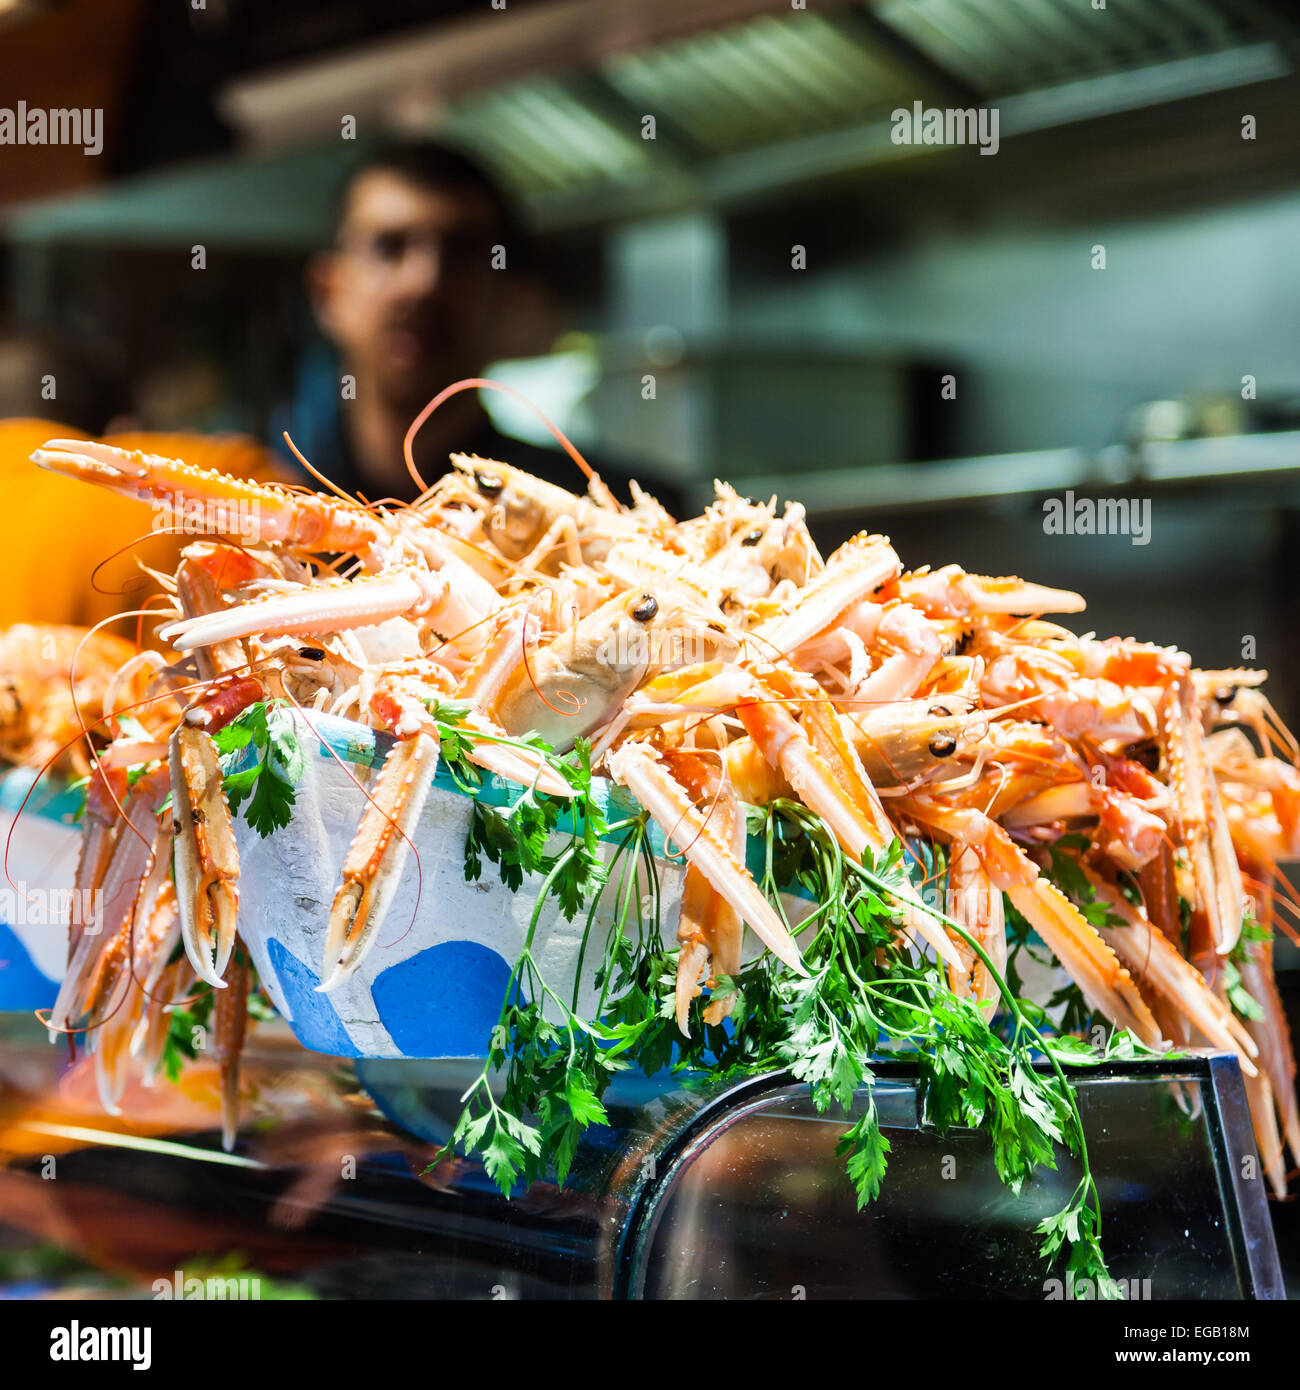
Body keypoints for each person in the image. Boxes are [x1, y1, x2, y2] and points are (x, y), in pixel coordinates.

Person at [279, 139, 682, 513]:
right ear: (327, 293)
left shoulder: (614, 515)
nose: (423, 283)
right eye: (389, 247)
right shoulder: (260, 500)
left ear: (506, 298)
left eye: (461, 255)